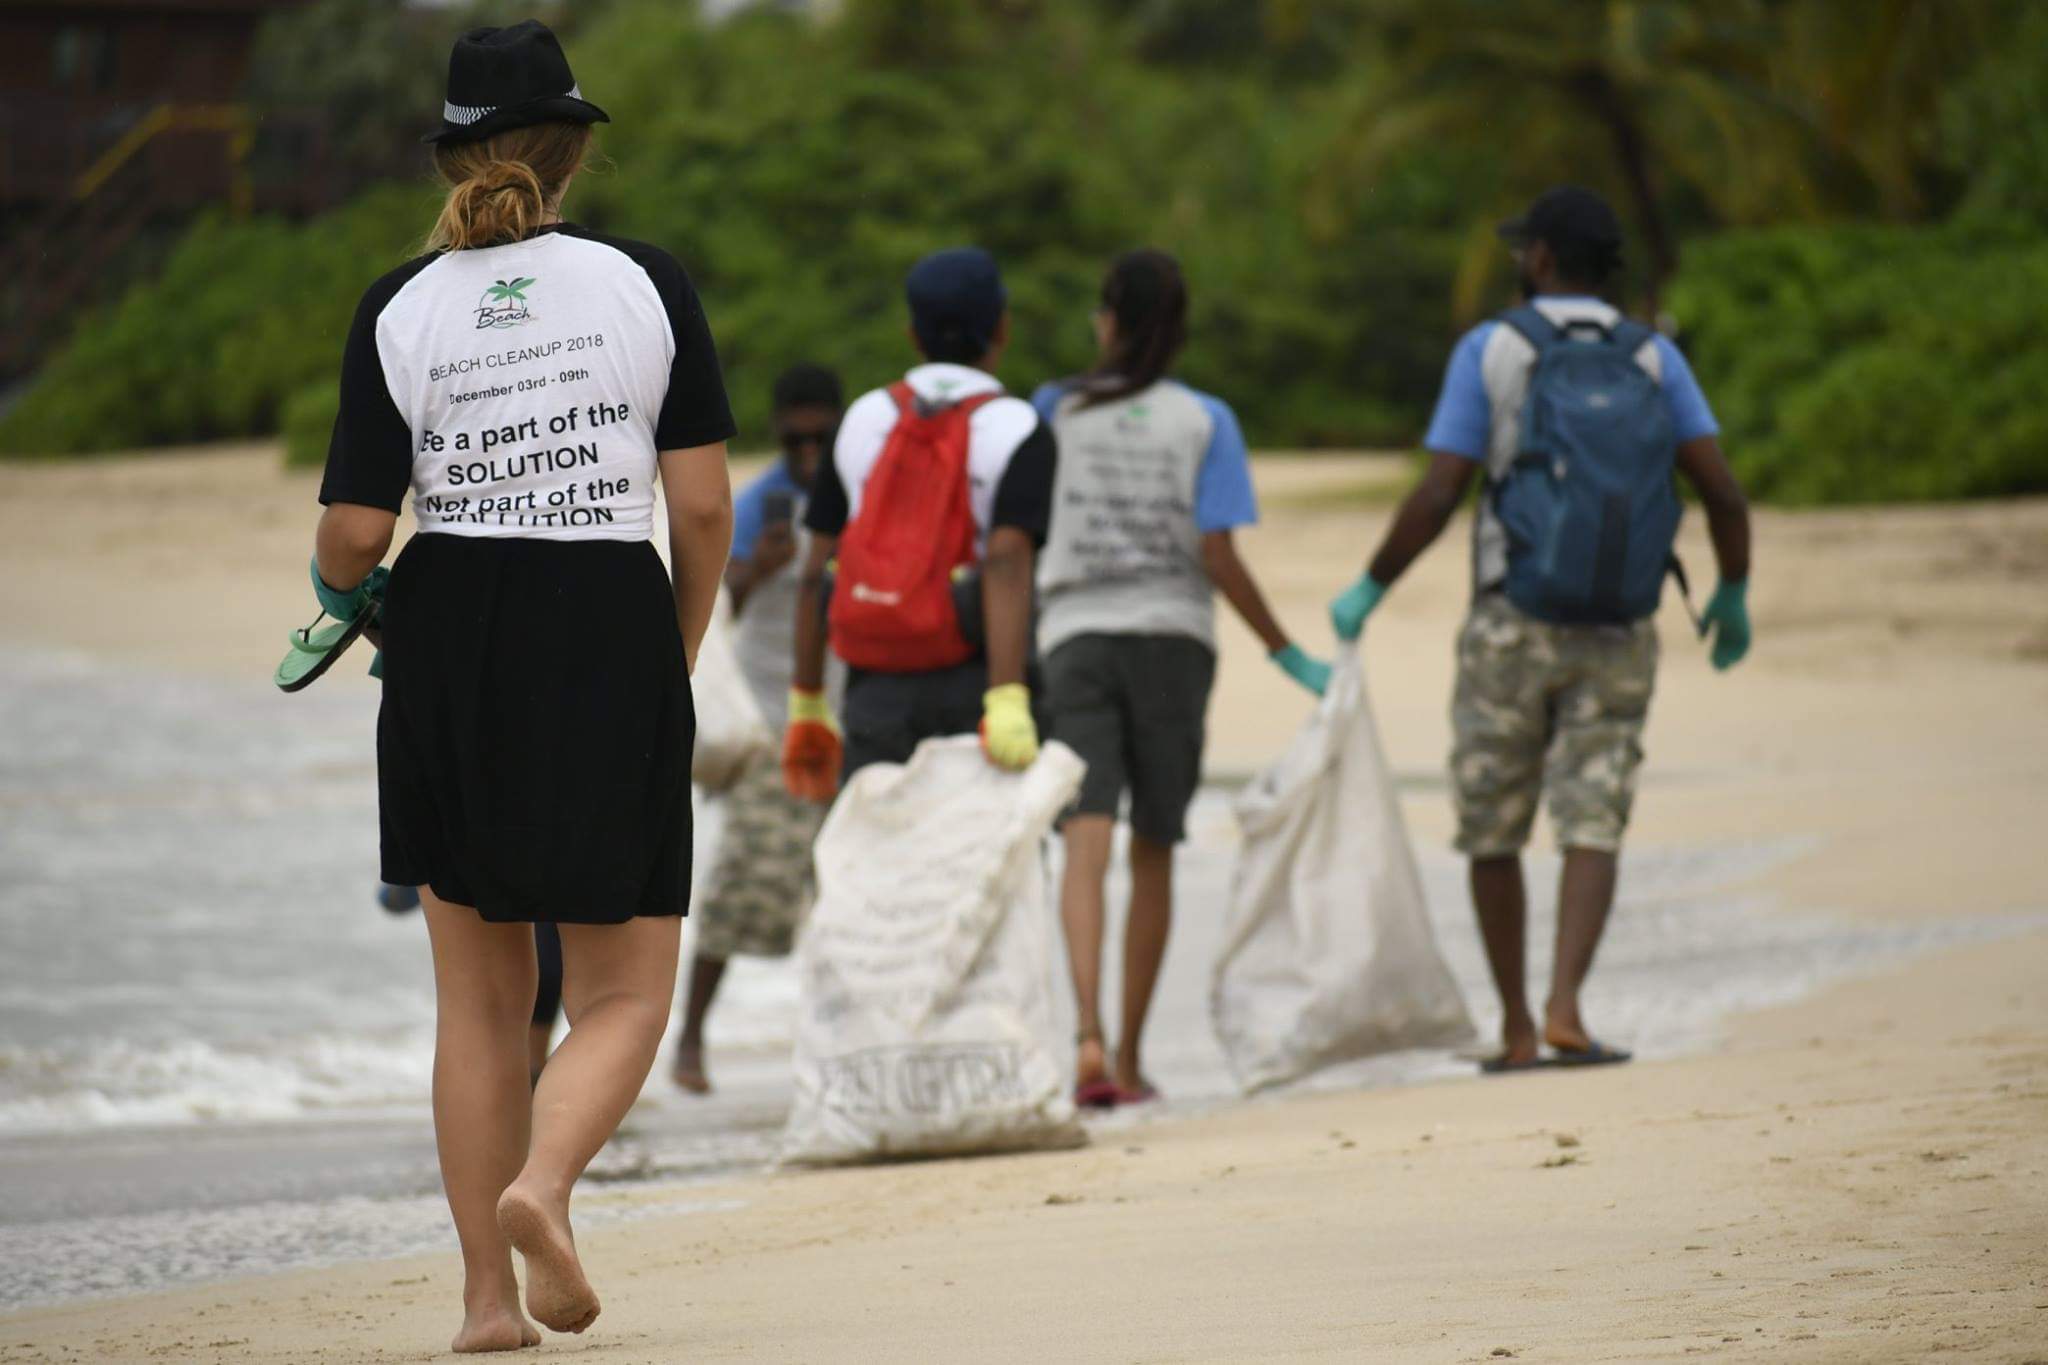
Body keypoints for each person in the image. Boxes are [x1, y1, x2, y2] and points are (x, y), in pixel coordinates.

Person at [308, 21, 734, 1353]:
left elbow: (355, 536)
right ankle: (542, 1188)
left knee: (480, 1001)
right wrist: (666, 655)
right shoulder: (643, 282)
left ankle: (487, 1305)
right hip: (605, 609)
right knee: (623, 994)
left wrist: (335, 609)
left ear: (458, 152)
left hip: (447, 632)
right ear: (571, 147)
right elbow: (705, 507)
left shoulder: (399, 304)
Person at [1327, 184, 1752, 1074]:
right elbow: (1720, 488)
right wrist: (1732, 590)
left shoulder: (1492, 350)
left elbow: (1443, 489)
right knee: (1593, 815)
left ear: (1546, 258)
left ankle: (1517, 1027)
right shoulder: (1653, 359)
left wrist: (1369, 588)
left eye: (1526, 250)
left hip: (1509, 617)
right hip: (1622, 623)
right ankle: (1567, 1008)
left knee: (1494, 822)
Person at [1031, 249, 1330, 1107]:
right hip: (1175, 641)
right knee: (1154, 842)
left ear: (1109, 320)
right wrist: (1283, 648)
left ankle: (1083, 1032)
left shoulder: (1055, 409)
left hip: (1076, 635)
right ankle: (1128, 1058)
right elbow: (1217, 552)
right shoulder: (1207, 419)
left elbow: (1018, 530)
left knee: (1084, 840)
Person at [783, 247, 1055, 796]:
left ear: (912, 333)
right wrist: (1007, 698)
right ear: (1002, 327)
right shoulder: (1019, 427)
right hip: (977, 681)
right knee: (985, 871)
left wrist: (808, 700)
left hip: (875, 686)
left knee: (881, 864)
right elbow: (1006, 560)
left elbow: (817, 570)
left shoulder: (863, 418)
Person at [671, 363, 844, 1094]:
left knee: (844, 900)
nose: (807, 448)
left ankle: (835, 1050)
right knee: (743, 886)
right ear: (777, 428)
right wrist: (761, 565)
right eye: (795, 434)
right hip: (775, 718)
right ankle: (691, 1038)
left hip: (853, 718)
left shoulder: (857, 493)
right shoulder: (766, 496)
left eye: (820, 434)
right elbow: (716, 600)